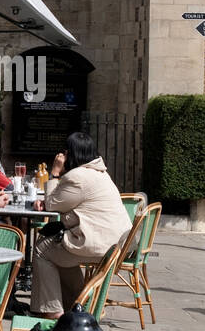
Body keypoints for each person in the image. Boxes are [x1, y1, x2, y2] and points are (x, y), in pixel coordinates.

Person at [31, 132, 131, 319]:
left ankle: (52, 311)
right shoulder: (100, 173)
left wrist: (54, 173)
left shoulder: (77, 176)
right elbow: (66, 202)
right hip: (115, 243)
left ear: (71, 154)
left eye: (65, 152)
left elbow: (53, 204)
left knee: (42, 249)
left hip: (98, 243)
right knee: (58, 249)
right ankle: (78, 304)